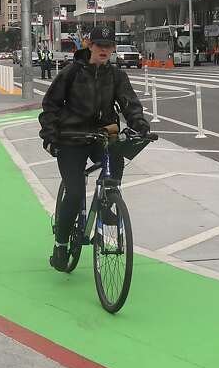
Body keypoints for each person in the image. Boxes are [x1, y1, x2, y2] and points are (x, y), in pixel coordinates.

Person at [39, 27, 149, 272]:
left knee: (116, 158)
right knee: (76, 192)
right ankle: (60, 245)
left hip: (102, 135)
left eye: (109, 46)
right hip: (71, 138)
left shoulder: (117, 76)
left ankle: (107, 202)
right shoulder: (71, 72)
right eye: (100, 45)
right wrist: (50, 136)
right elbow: (50, 105)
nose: (104, 50)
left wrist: (140, 125)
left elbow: (130, 104)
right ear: (90, 46)